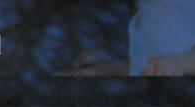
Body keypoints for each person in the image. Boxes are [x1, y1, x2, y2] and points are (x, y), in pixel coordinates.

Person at [65, 0, 195, 75]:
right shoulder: (146, 14)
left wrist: (184, 62)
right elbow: (150, 66)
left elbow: (173, 64)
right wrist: (106, 70)